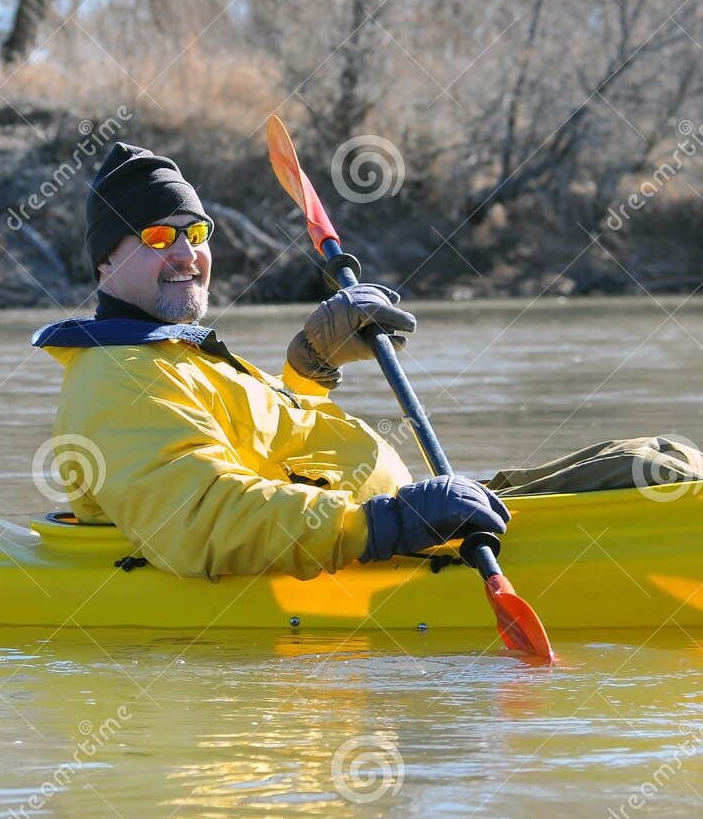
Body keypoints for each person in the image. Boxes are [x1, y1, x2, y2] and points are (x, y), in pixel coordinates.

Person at [32, 142, 509, 580]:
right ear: (104, 265)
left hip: (396, 539)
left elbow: (279, 452)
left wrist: (311, 368)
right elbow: (206, 517)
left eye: (196, 233)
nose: (187, 253)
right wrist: (383, 524)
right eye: (157, 237)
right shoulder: (119, 379)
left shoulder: (176, 353)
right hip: (374, 552)